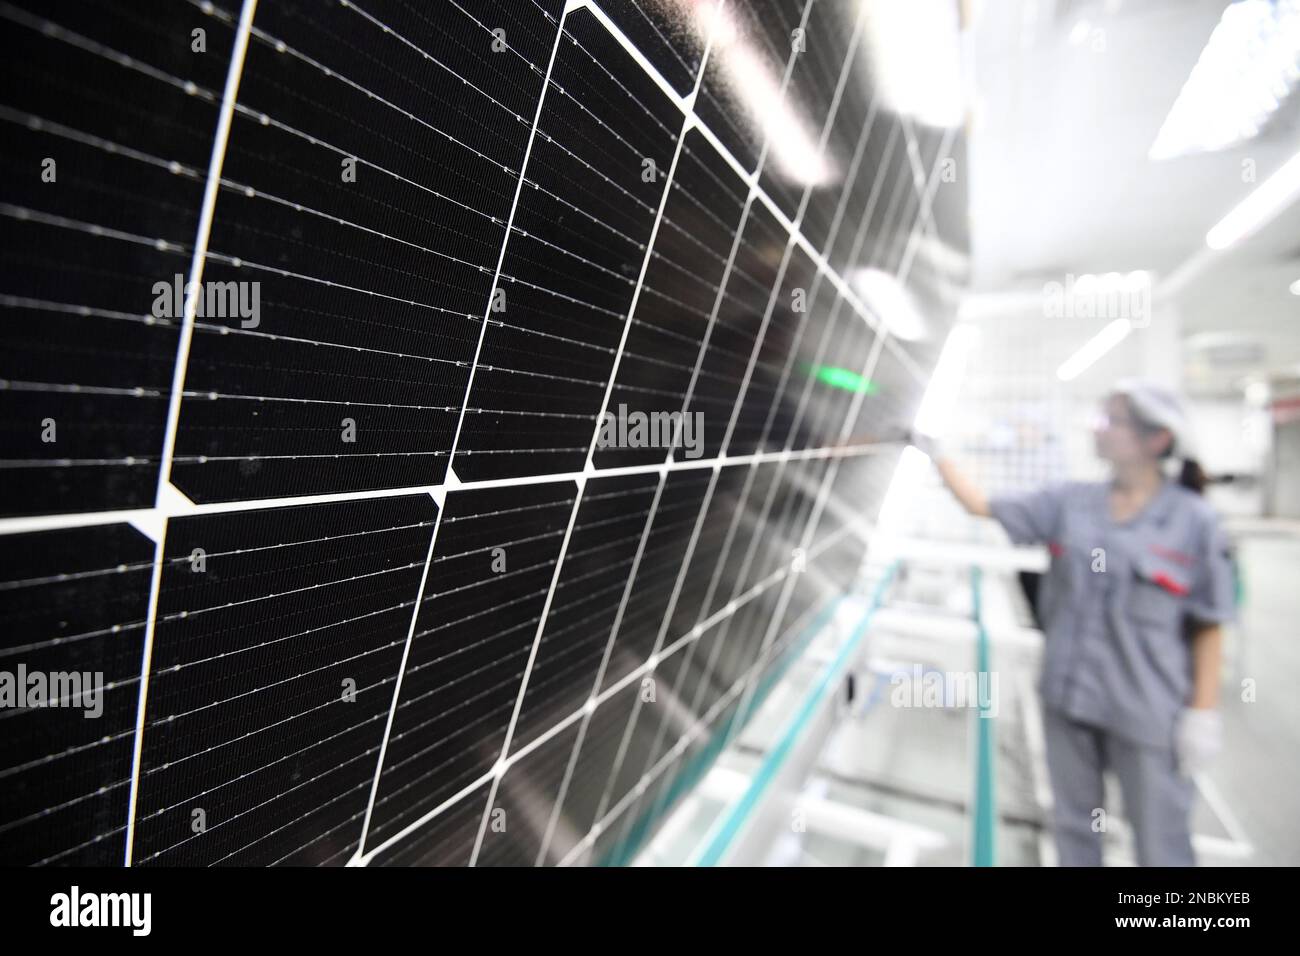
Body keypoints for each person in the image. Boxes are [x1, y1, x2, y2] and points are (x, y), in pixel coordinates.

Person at [913, 380, 1235, 866]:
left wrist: (1202, 714)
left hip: (1147, 713)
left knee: (1160, 841)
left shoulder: (1194, 522)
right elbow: (982, 505)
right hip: (1068, 699)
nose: (1097, 428)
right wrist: (935, 454)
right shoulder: (1070, 501)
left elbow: (1208, 623)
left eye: (1112, 421)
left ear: (1156, 440)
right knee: (1073, 828)